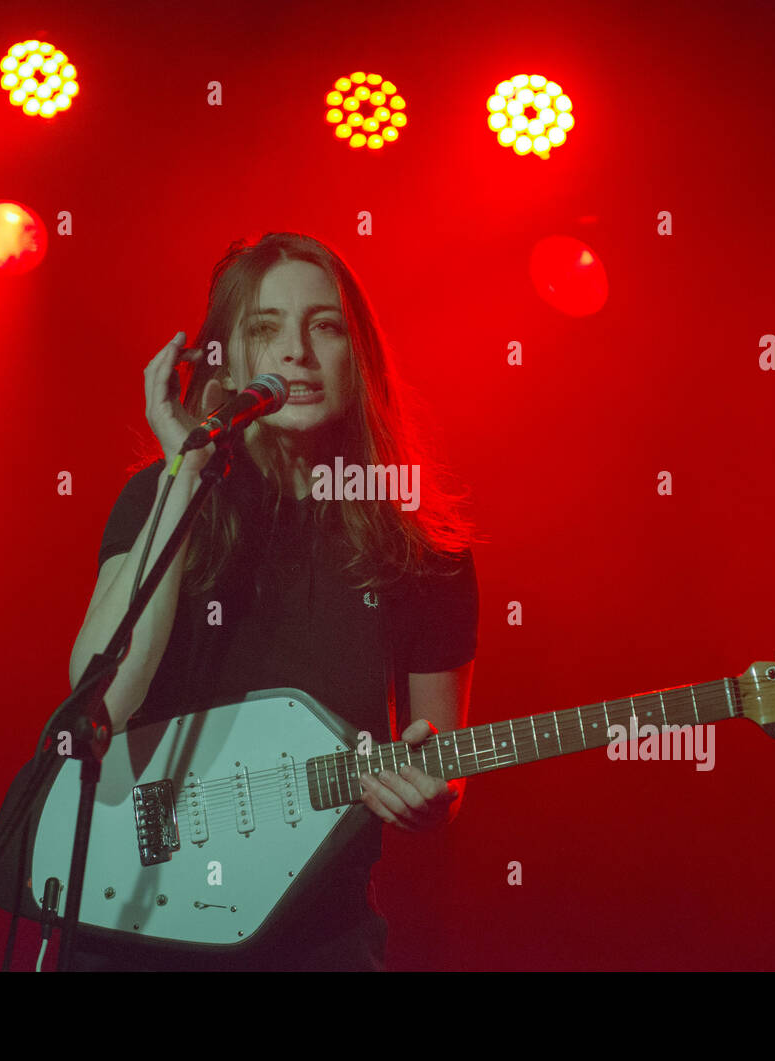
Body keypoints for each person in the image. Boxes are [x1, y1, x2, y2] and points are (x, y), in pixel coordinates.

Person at [65, 232, 478, 971]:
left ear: (362, 356)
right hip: (135, 917)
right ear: (226, 358)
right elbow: (105, 699)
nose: (297, 351)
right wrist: (185, 472)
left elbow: (441, 759)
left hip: (317, 931)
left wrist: (432, 794)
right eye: (265, 328)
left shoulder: (424, 547)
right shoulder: (165, 496)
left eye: (325, 326)